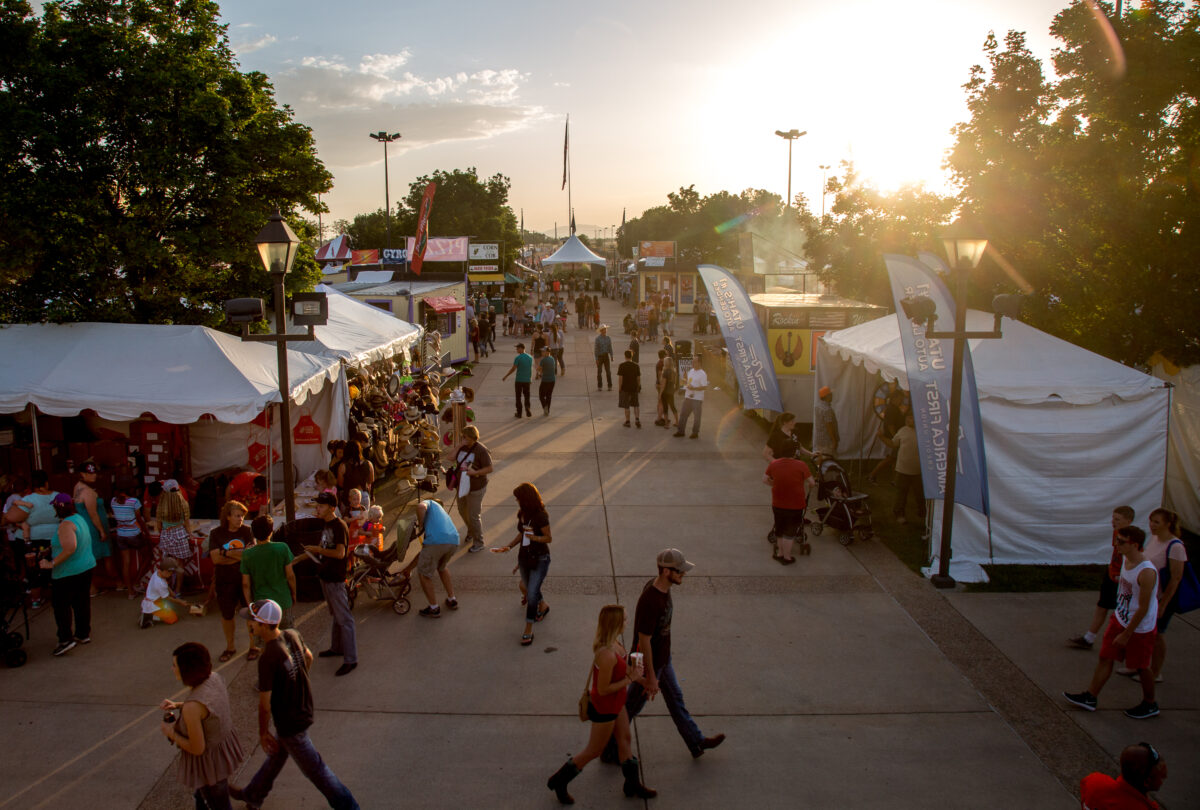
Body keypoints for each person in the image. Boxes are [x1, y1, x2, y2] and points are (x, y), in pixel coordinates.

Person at [231, 599, 359, 810]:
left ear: (263, 624)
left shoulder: (268, 657)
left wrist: (263, 732)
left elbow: (264, 704)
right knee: (277, 755)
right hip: (302, 708)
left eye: (252, 621)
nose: (249, 625)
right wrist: (296, 682)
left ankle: (349, 807)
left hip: (291, 723)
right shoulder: (292, 634)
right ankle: (253, 795)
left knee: (317, 771)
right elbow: (308, 658)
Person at [609, 548, 725, 760]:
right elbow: (644, 641)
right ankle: (609, 750)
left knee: (675, 700)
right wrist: (651, 677)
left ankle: (696, 742)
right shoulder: (651, 601)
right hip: (647, 663)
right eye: (679, 571)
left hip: (662, 658)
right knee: (631, 707)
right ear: (665, 571)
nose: (683, 574)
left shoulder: (664, 588)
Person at [546, 604, 655, 805]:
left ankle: (632, 784)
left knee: (625, 739)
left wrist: (642, 679)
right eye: (624, 619)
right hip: (605, 707)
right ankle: (559, 781)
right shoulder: (606, 654)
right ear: (615, 623)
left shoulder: (615, 643)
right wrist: (631, 679)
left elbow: (624, 673)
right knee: (593, 750)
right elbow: (603, 689)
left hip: (617, 702)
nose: (627, 622)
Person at [1064, 525, 1160, 719]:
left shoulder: (1147, 572)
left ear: (1134, 544)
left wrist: (1127, 634)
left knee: (1141, 666)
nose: (1116, 545)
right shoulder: (1126, 559)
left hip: (1139, 628)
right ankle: (1090, 697)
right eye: (1117, 540)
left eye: (1121, 541)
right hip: (1120, 618)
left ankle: (1150, 703)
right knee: (1105, 656)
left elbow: (1143, 608)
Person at [160, 642, 246, 809]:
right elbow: (207, 709)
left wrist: (171, 732)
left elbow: (197, 748)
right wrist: (178, 705)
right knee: (202, 798)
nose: (172, 669)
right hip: (220, 757)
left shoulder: (192, 707)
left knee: (216, 803)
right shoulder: (214, 678)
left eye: (175, 665)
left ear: (187, 670)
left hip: (208, 767)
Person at [1130, 508, 1189, 686]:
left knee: (1157, 635)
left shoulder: (1176, 547)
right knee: (1139, 631)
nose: (1152, 525)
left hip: (1161, 598)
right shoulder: (1154, 539)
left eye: (1157, 522)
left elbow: (1176, 577)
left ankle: (1155, 672)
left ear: (1168, 524)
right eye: (1151, 521)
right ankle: (1137, 665)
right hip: (1146, 595)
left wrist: (1163, 604)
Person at [490, 483, 553, 646]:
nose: (516, 501)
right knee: (525, 587)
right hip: (525, 557)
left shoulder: (541, 516)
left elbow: (548, 538)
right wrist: (509, 546)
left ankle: (528, 629)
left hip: (540, 558)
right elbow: (522, 533)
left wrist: (535, 538)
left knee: (531, 593)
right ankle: (543, 605)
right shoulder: (522, 513)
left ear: (526, 499)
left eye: (518, 498)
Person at [1069, 506, 1136, 650]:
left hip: (1122, 578)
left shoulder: (1133, 538)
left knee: (1123, 611)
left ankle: (1127, 641)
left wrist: (1125, 576)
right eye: (1113, 518)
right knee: (1102, 605)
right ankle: (1089, 637)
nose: (1113, 522)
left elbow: (1133, 558)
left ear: (1129, 521)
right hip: (1112, 574)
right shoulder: (1117, 533)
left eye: (1117, 519)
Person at [306, 492, 356, 677]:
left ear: (331, 508)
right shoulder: (326, 524)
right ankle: (337, 647)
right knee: (335, 614)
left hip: (335, 578)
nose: (317, 508)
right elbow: (325, 547)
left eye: (320, 506)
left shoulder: (339, 526)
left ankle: (351, 659)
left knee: (345, 618)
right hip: (325, 576)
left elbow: (340, 553)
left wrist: (318, 550)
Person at [42, 492, 97, 656]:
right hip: (86, 567)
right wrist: (51, 548)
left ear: (58, 508)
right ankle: (83, 633)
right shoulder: (79, 519)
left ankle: (66, 639)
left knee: (61, 606)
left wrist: (51, 563)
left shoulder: (66, 524)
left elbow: (70, 547)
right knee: (81, 601)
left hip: (68, 572)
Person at [241, 516, 296, 661]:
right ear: (271, 531)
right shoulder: (282, 548)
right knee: (288, 639)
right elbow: (290, 576)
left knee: (267, 646)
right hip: (283, 601)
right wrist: (294, 594)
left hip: (262, 606)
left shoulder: (247, 554)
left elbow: (246, 584)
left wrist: (250, 605)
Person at [207, 500, 254, 662]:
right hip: (225, 581)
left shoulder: (247, 531)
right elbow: (214, 559)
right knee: (227, 615)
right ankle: (230, 646)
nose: (240, 519)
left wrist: (226, 553)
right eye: (237, 516)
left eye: (242, 516)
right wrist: (240, 556)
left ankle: (253, 645)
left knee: (250, 613)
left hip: (245, 580)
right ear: (227, 516)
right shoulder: (216, 533)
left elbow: (250, 556)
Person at [407, 499, 460, 617]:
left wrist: (420, 525)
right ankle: (452, 599)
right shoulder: (441, 516)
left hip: (437, 541)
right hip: (453, 540)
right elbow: (424, 553)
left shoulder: (430, 502)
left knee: (424, 574)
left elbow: (420, 507)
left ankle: (434, 608)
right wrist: (407, 569)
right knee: (442, 567)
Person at [1080, 742, 1167, 809]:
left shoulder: (1094, 781)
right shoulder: (1141, 807)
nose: (1165, 778)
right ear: (1147, 782)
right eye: (1162, 777)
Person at [763, 450, 815, 564]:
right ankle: (787, 558)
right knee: (790, 532)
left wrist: (775, 484)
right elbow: (812, 482)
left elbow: (765, 479)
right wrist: (808, 486)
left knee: (780, 529)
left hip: (778, 504)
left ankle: (780, 554)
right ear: (794, 453)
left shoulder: (774, 464)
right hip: (795, 505)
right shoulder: (801, 465)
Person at [73, 460, 114, 592]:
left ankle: (92, 586)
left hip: (85, 526)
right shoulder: (88, 492)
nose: (94, 475)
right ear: (82, 474)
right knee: (102, 556)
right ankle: (105, 584)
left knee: (89, 557)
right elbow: (93, 514)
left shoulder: (77, 487)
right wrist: (101, 531)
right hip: (93, 528)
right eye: (90, 473)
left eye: (94, 473)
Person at [454, 425, 494, 553]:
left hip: (476, 487)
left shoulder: (481, 450)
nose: (463, 439)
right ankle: (471, 530)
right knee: (461, 509)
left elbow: (489, 468)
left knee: (473, 516)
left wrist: (474, 473)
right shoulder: (462, 447)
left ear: (472, 438)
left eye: (464, 437)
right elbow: (449, 458)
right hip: (461, 485)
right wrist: (459, 446)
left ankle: (479, 542)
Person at [879, 411, 922, 523]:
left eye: (911, 418)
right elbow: (893, 444)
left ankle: (923, 512)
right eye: (907, 418)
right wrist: (881, 437)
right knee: (901, 493)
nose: (909, 420)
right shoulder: (902, 430)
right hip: (902, 469)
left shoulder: (923, 431)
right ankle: (899, 513)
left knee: (920, 493)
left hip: (918, 470)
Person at [109, 475, 147, 597]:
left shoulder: (113, 501)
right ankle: (137, 581)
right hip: (134, 534)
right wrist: (145, 532)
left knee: (126, 563)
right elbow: (139, 519)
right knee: (147, 555)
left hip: (121, 534)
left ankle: (130, 591)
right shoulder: (134, 502)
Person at [868, 390, 908, 484]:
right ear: (895, 398)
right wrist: (895, 437)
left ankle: (895, 480)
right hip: (892, 437)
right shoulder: (891, 409)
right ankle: (872, 475)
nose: (901, 401)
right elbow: (890, 425)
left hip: (894, 437)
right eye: (900, 399)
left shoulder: (894, 408)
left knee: (895, 458)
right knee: (890, 458)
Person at [155, 481, 195, 576]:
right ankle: (178, 589)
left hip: (166, 534)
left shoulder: (161, 505)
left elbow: (159, 526)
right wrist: (189, 534)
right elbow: (187, 524)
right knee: (179, 564)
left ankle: (166, 586)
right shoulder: (184, 504)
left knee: (166, 564)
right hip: (180, 533)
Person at [141, 557, 192, 628]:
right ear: (166, 571)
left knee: (171, 610)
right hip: (154, 602)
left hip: (155, 598)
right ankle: (151, 616)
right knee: (172, 619)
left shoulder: (158, 572)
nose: (172, 574)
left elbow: (167, 586)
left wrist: (174, 595)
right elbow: (167, 598)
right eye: (171, 572)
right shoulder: (160, 584)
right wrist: (180, 601)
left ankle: (152, 612)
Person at [674, 354, 708, 439]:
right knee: (683, 414)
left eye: (694, 362)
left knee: (697, 417)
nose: (692, 363)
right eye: (692, 362)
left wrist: (694, 388)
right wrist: (685, 380)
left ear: (699, 363)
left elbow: (704, 387)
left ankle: (695, 432)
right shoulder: (691, 371)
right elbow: (689, 382)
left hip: (697, 398)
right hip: (688, 397)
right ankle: (681, 431)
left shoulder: (702, 374)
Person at [335, 442, 374, 517]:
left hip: (349, 497)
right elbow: (371, 481)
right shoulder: (369, 464)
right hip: (364, 495)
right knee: (364, 521)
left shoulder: (343, 466)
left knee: (349, 522)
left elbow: (340, 484)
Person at [502, 342, 534, 418]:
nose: (516, 349)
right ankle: (527, 407)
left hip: (519, 380)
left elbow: (513, 369)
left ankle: (519, 413)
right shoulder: (530, 357)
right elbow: (530, 369)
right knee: (527, 395)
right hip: (527, 380)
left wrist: (506, 376)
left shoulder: (518, 358)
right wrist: (530, 378)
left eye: (517, 348)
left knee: (518, 396)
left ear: (522, 348)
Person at [617, 349, 642, 428]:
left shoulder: (622, 365)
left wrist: (620, 387)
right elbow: (638, 378)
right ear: (632, 356)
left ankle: (628, 421)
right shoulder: (636, 365)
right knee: (636, 404)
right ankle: (637, 419)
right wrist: (638, 386)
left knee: (626, 405)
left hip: (625, 388)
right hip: (634, 387)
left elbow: (620, 378)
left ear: (625, 356)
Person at [813, 386, 840, 457]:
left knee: (820, 457)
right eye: (830, 394)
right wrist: (834, 440)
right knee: (829, 458)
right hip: (827, 440)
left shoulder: (818, 406)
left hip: (820, 438)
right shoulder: (827, 409)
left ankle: (819, 467)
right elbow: (829, 425)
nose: (832, 396)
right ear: (826, 396)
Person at [656, 349, 678, 429]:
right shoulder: (673, 371)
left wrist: (660, 393)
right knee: (673, 407)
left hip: (665, 392)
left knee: (666, 408)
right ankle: (677, 421)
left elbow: (663, 384)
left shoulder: (665, 372)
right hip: (671, 391)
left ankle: (666, 424)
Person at [536, 346, 557, 416]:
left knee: (541, 395)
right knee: (549, 395)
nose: (542, 352)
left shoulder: (543, 360)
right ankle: (547, 410)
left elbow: (539, 369)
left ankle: (545, 406)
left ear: (547, 352)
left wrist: (539, 372)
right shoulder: (552, 359)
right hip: (552, 380)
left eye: (543, 351)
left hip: (545, 380)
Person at [594, 325, 614, 391]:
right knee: (599, 372)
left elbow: (610, 347)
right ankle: (600, 386)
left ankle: (610, 385)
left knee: (608, 371)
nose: (605, 330)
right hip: (600, 357)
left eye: (605, 329)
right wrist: (596, 359)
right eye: (603, 329)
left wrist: (611, 356)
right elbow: (596, 349)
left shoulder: (608, 338)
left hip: (606, 356)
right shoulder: (597, 339)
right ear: (601, 331)